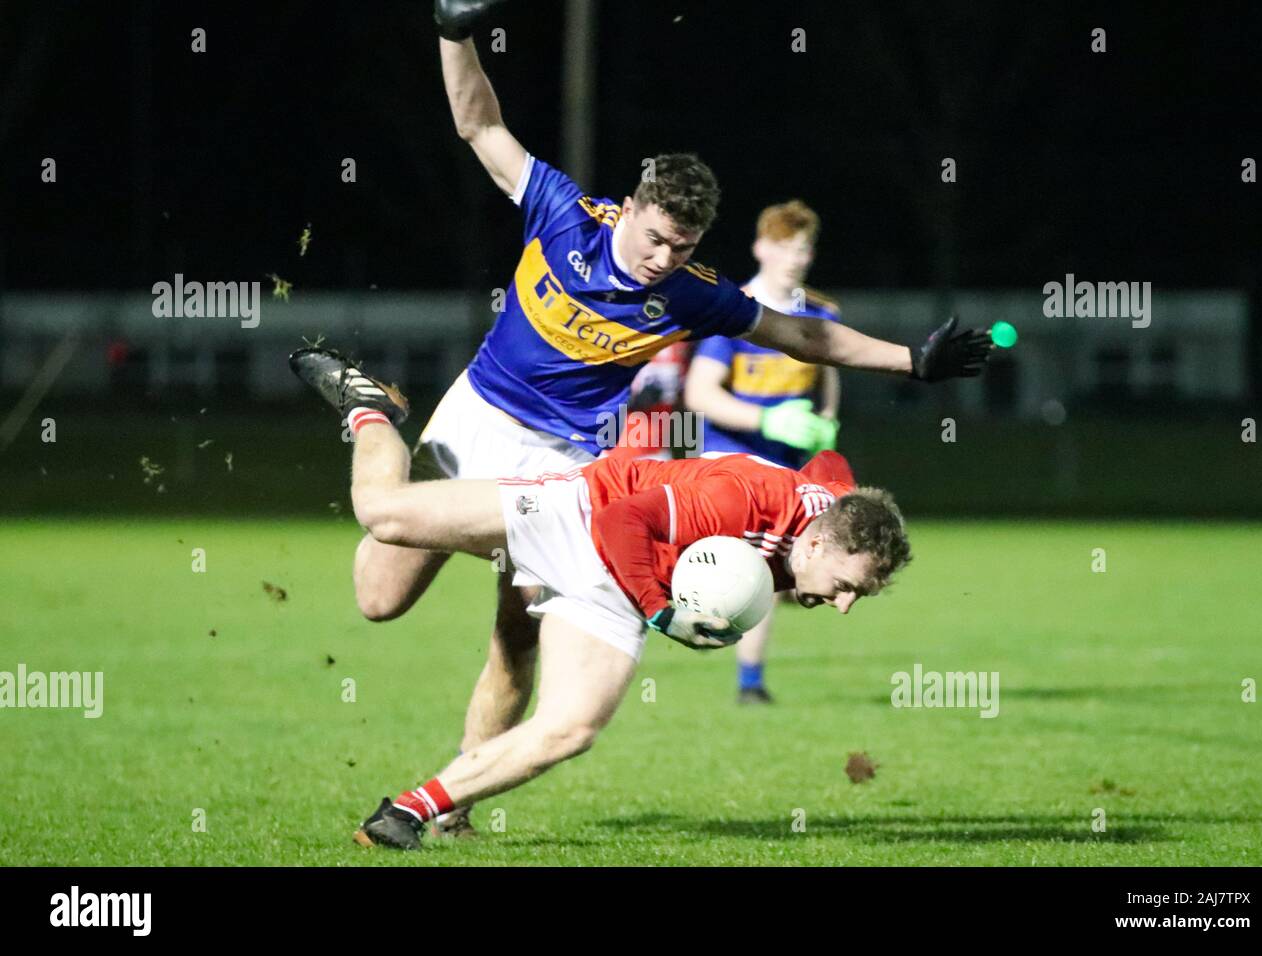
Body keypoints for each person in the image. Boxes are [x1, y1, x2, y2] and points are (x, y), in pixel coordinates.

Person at [352, 5, 993, 836]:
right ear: (629, 210)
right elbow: (479, 123)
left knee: (518, 637)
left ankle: (449, 815)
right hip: (479, 415)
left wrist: (909, 361)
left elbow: (801, 332)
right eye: (656, 239)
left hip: (566, 462)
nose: (665, 259)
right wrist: (450, 30)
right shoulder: (561, 212)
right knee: (378, 597)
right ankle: (372, 411)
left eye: (682, 248)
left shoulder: (689, 292)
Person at [289, 347, 913, 850]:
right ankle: (371, 412)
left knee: (572, 726)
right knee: (384, 519)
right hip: (581, 511)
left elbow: (830, 464)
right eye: (847, 587)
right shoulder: (737, 498)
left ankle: (407, 814)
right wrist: (663, 610)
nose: (843, 604)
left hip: (611, 584)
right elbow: (621, 523)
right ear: (817, 545)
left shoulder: (832, 516)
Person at [684, 199, 840, 704]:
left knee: (785, 576)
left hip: (788, 465)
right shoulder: (735, 311)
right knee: (756, 564)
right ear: (761, 248)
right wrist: (767, 418)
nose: (797, 258)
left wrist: (826, 426)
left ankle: (745, 669)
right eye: (786, 247)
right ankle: (749, 683)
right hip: (728, 460)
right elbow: (700, 394)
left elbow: (830, 374)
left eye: (804, 248)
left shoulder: (819, 314)